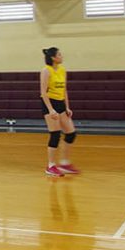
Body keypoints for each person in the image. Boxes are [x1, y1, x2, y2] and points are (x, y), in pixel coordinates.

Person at [41, 47, 79, 177]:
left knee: (71, 134)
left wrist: (67, 107)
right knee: (55, 134)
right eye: (59, 55)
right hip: (49, 103)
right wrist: (51, 110)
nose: (62, 57)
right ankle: (50, 165)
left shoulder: (62, 70)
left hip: (60, 103)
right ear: (53, 58)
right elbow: (43, 93)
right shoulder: (46, 71)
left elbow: (64, 90)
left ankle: (64, 164)